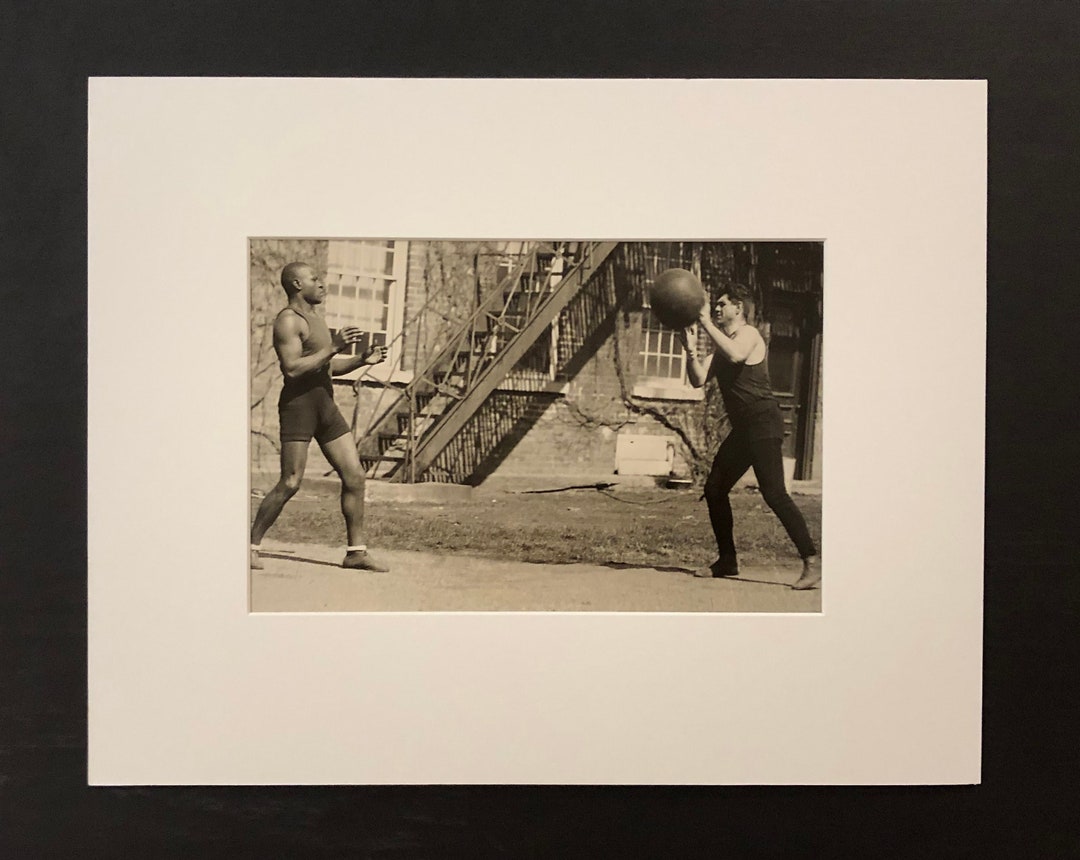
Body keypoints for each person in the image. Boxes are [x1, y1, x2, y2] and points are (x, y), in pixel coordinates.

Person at [678, 283, 821, 590]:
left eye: (721, 304)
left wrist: (703, 323)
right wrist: (690, 352)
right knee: (715, 488)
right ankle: (727, 561)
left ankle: (811, 561)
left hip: (763, 422)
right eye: (714, 306)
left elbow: (736, 357)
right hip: (744, 429)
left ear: (738, 308)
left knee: (774, 494)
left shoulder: (748, 335)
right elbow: (697, 380)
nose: (716, 309)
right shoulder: (723, 345)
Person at [250, 262, 389, 571]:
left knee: (354, 476)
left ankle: (356, 552)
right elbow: (292, 368)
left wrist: (359, 359)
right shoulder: (288, 321)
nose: (322, 283)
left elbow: (325, 367)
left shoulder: (317, 320)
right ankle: (251, 545)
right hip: (299, 407)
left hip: (326, 406)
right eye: (314, 279)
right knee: (291, 481)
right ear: (297, 285)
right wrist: (335, 346)